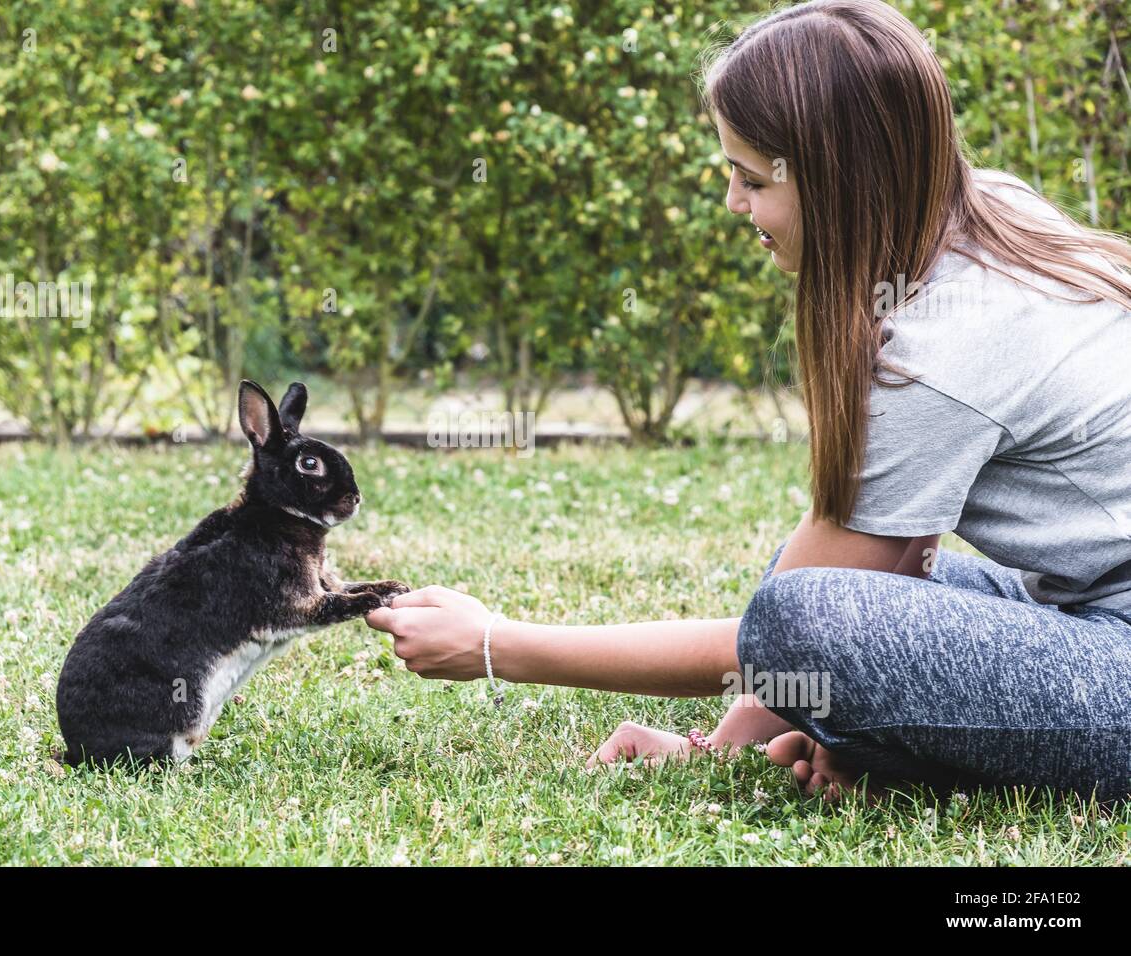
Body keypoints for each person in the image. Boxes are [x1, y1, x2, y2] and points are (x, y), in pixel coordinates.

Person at [366, 0, 1131, 805]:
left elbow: (787, 640)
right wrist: (719, 749)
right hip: (1081, 612)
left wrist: (499, 645)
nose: (735, 202)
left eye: (754, 178)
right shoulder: (988, 211)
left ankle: (898, 760)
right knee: (803, 591)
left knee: (801, 621)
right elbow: (876, 566)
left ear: (840, 183)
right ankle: (880, 756)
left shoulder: (942, 351)